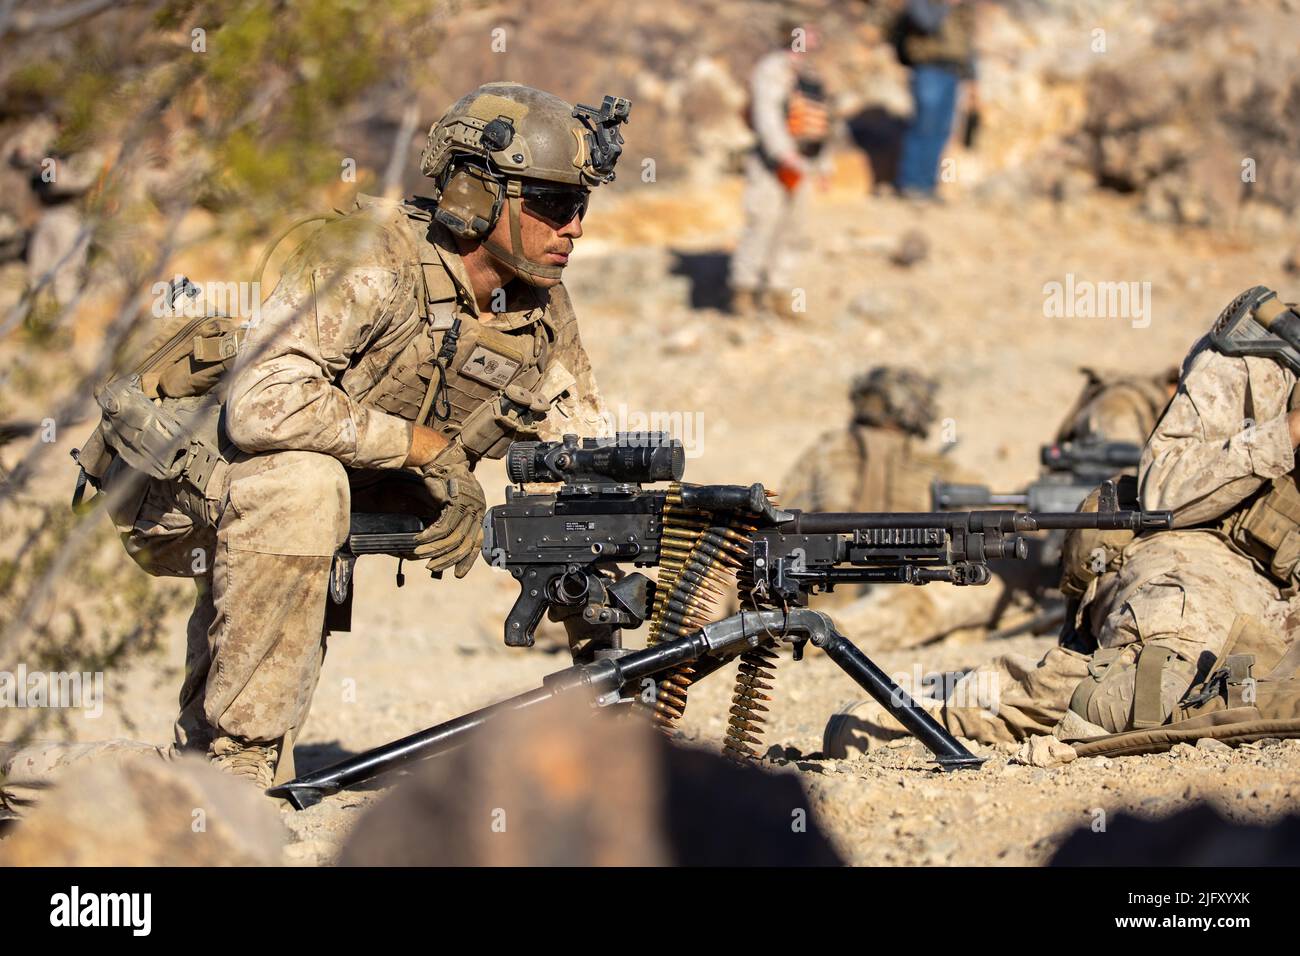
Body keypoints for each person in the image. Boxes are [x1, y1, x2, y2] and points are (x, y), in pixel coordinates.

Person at [82, 82, 628, 790]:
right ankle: (239, 760)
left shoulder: (541, 310)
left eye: (581, 206)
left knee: (200, 765)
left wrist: (612, 637)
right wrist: (424, 451)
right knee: (303, 487)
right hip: (180, 486)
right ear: (474, 196)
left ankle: (126, 779)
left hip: (304, 507)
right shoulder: (371, 260)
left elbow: (581, 463)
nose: (575, 228)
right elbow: (261, 406)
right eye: (554, 204)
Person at [826, 294, 1300, 755]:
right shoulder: (1264, 346)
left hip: (1275, 586)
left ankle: (970, 679)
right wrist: (1289, 432)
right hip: (1179, 555)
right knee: (1145, 690)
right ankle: (923, 704)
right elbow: (1165, 490)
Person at [729, 19, 832, 320]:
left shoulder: (811, 73)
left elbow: (820, 122)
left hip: (803, 162)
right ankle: (743, 291)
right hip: (772, 163)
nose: (812, 37)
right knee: (762, 222)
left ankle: (777, 290)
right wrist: (783, 153)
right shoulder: (772, 69)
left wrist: (823, 164)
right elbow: (767, 116)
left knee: (793, 229)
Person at [891, 0, 977, 201]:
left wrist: (973, 78)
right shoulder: (924, 3)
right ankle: (909, 183)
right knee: (924, 125)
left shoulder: (962, 7)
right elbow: (926, 23)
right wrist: (946, 5)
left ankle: (928, 185)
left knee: (943, 130)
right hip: (928, 68)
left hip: (953, 71)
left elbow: (966, 42)